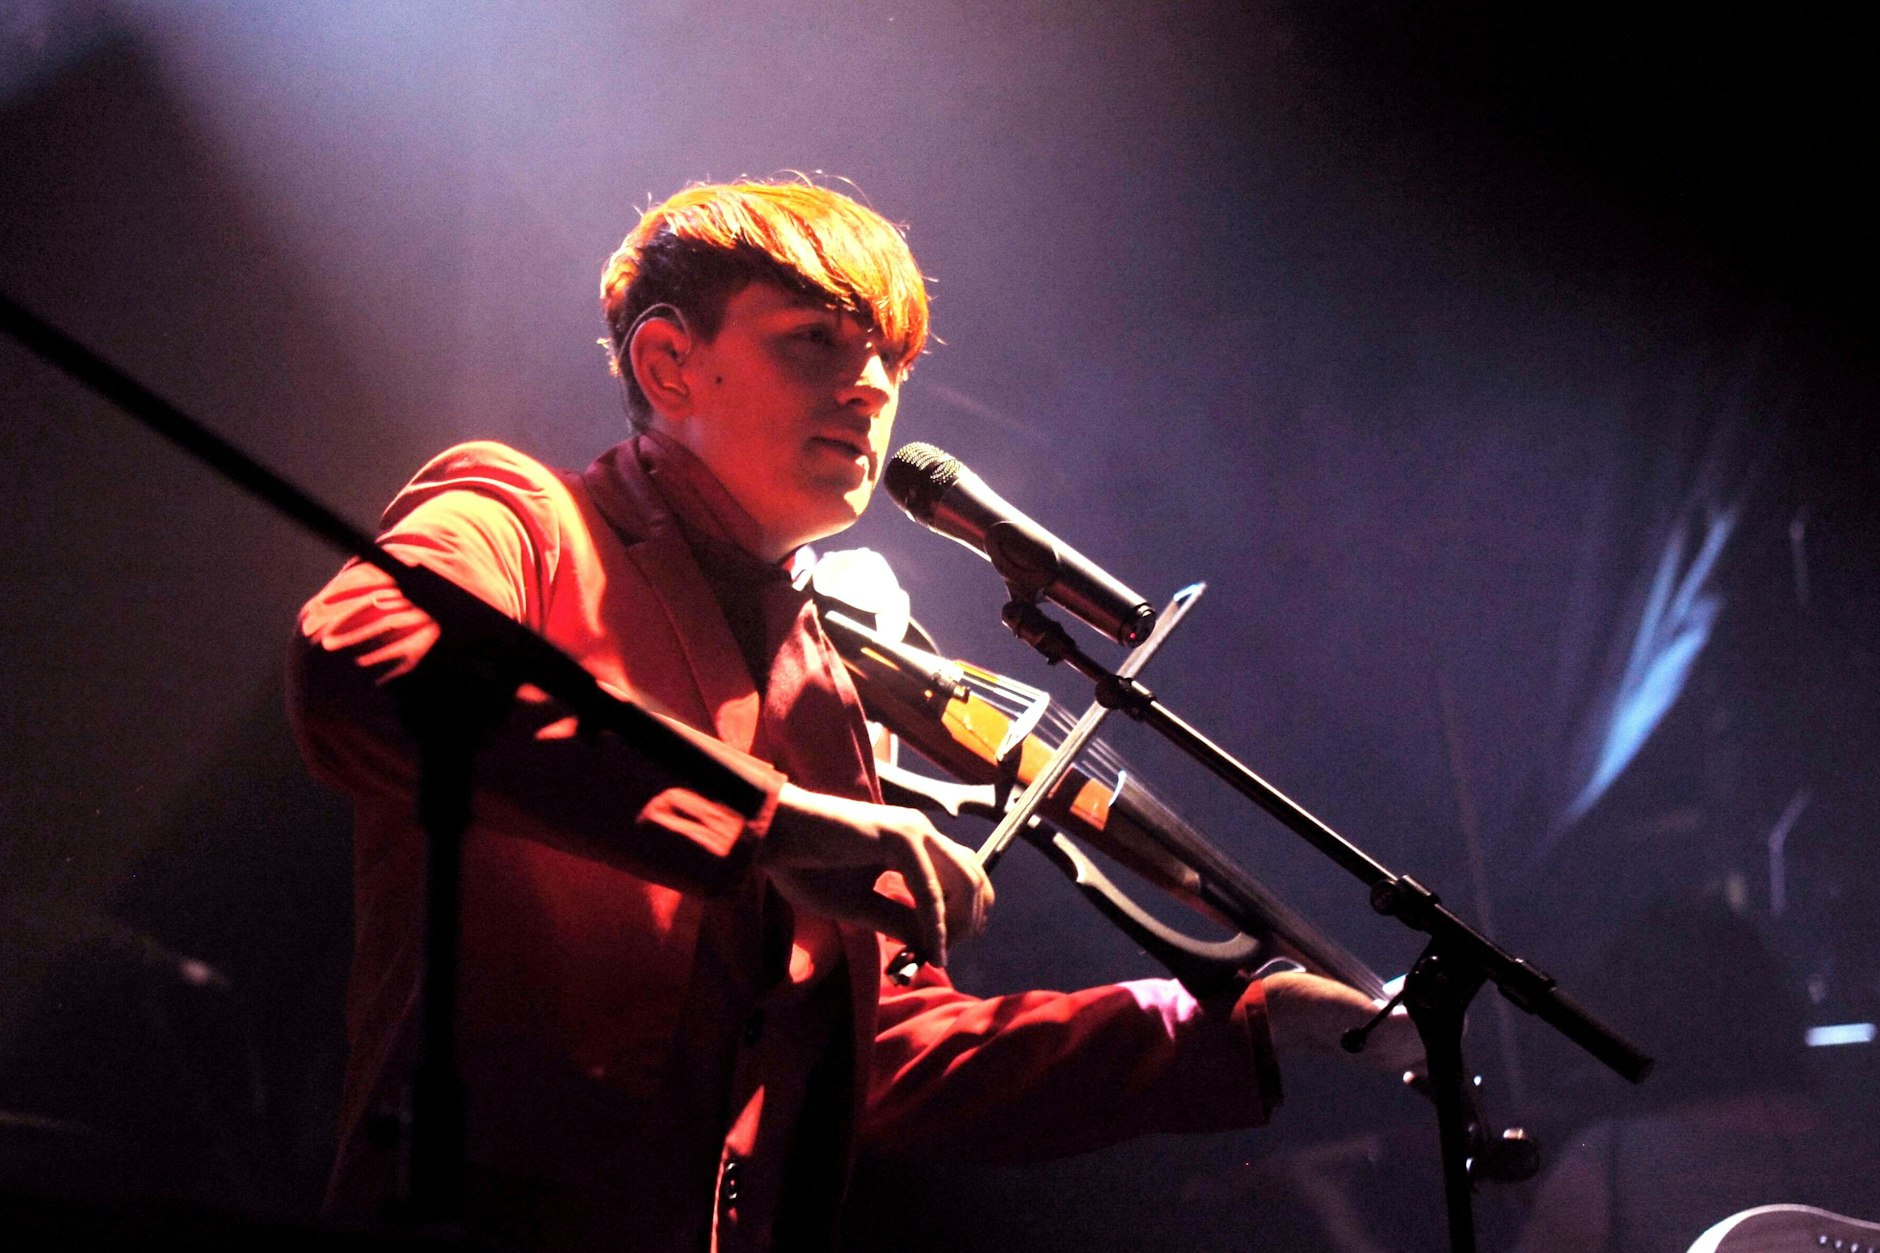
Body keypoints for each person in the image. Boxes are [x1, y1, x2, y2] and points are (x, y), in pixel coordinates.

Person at [288, 178, 1419, 1251]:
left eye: (889, 357)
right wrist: (769, 820)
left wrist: (1232, 1023)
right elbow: (360, 659)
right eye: (814, 339)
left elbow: (881, 1053)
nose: (873, 385)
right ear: (670, 361)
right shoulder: (521, 515)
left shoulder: (823, 685)